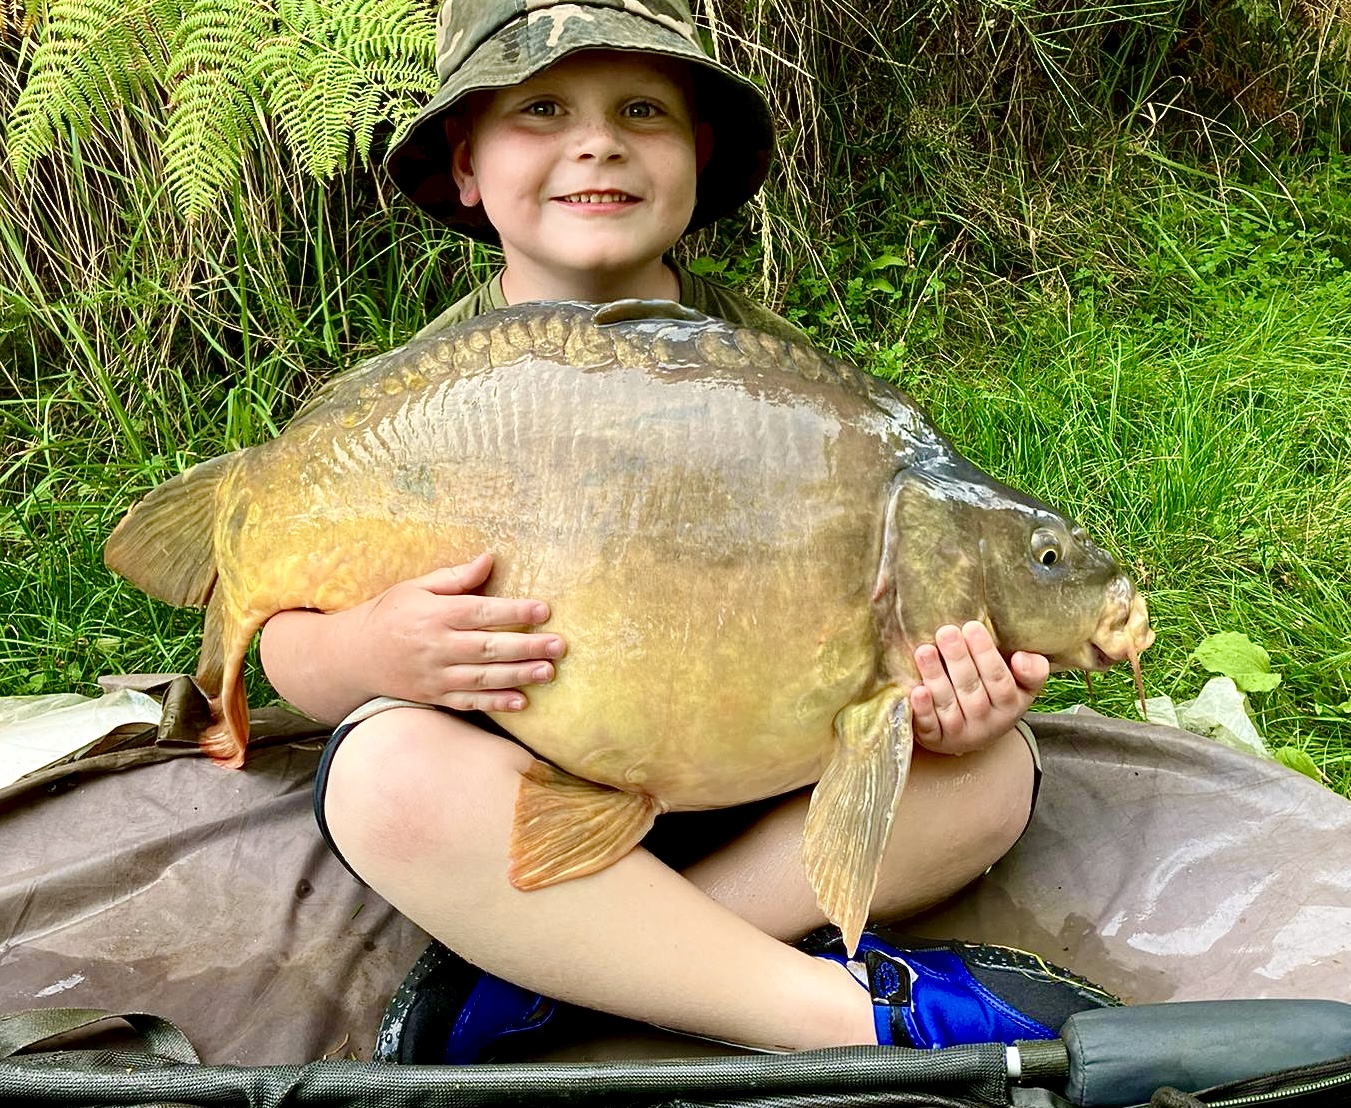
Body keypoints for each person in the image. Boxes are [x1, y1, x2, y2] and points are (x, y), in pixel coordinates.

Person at [258, 0, 1111, 1060]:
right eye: (542, 107)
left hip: (755, 794)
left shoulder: (790, 384)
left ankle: (571, 975)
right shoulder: (407, 405)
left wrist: (945, 709)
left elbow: (902, 688)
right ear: (466, 162)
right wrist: (370, 648)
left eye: (642, 108)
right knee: (381, 777)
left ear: (698, 155)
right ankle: (841, 1018)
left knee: (994, 776)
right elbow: (280, 644)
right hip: (511, 779)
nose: (598, 139)